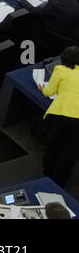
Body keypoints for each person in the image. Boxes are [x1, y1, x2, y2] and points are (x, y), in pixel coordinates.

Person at [41, 45, 79, 185]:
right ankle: (60, 182)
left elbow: (49, 92)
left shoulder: (59, 70)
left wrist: (43, 89)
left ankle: (47, 174)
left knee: (54, 145)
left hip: (60, 115)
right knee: (70, 152)